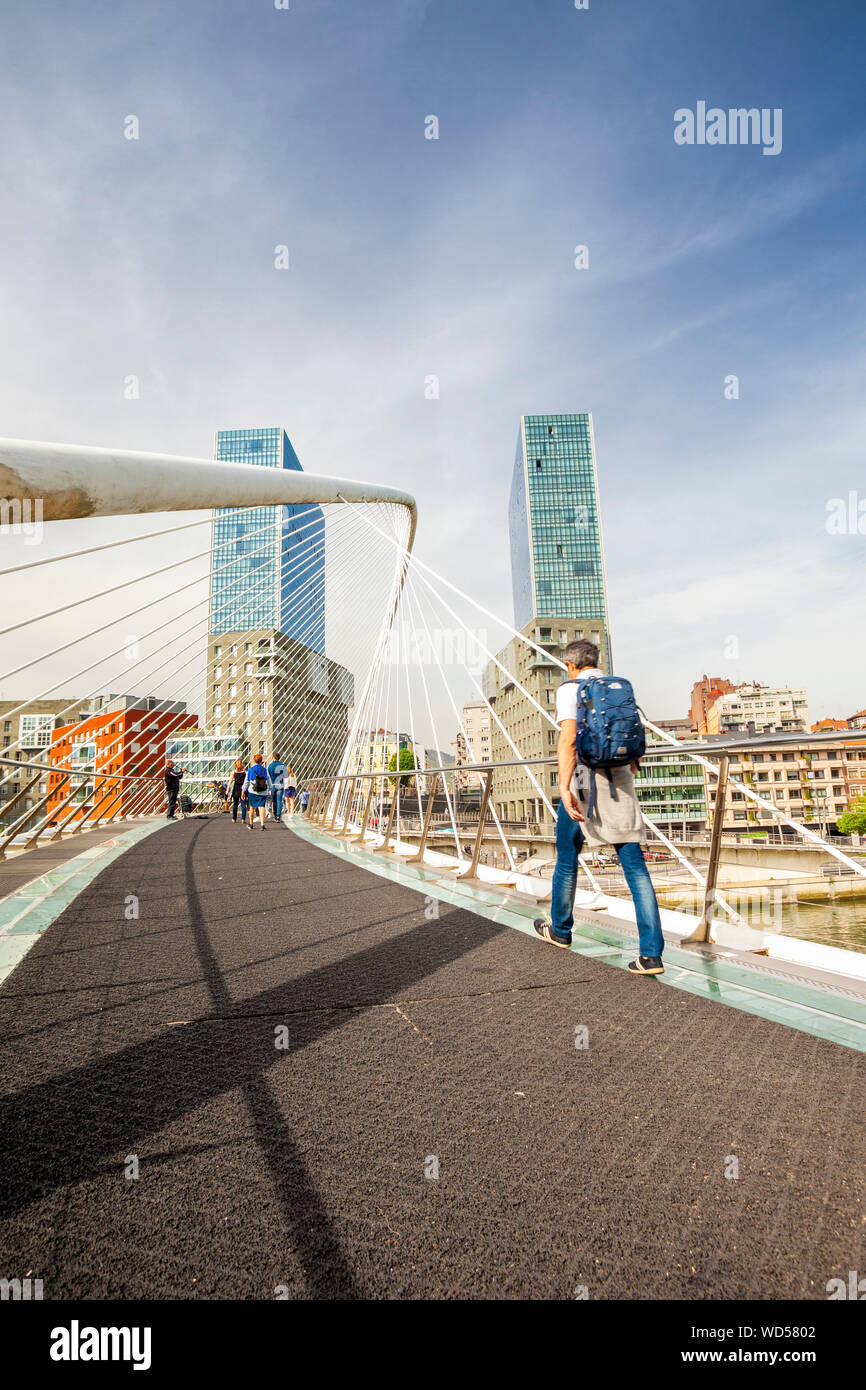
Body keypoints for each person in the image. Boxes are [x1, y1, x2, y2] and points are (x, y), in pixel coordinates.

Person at [533, 639, 665, 976]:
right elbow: (632, 736)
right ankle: (650, 955)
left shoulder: (569, 689)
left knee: (566, 857)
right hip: (620, 780)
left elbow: (569, 740)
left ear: (570, 664)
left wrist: (564, 787)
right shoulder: (618, 686)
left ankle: (560, 931)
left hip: (583, 781)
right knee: (635, 866)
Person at [243, 755, 272, 831]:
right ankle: (262, 825)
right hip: (263, 791)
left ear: (254, 760)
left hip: (252, 791)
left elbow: (246, 782)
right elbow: (268, 780)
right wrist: (270, 789)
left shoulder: (250, 770)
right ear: (261, 761)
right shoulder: (265, 770)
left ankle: (251, 824)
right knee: (261, 807)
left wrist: (243, 790)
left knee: (252, 807)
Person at [267, 753, 288, 822]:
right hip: (280, 785)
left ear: (273, 757)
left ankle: (275, 815)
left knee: (274, 801)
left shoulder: (270, 765)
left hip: (272, 785)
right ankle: (278, 816)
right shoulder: (283, 765)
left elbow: (268, 775)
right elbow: (286, 775)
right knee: (279, 801)